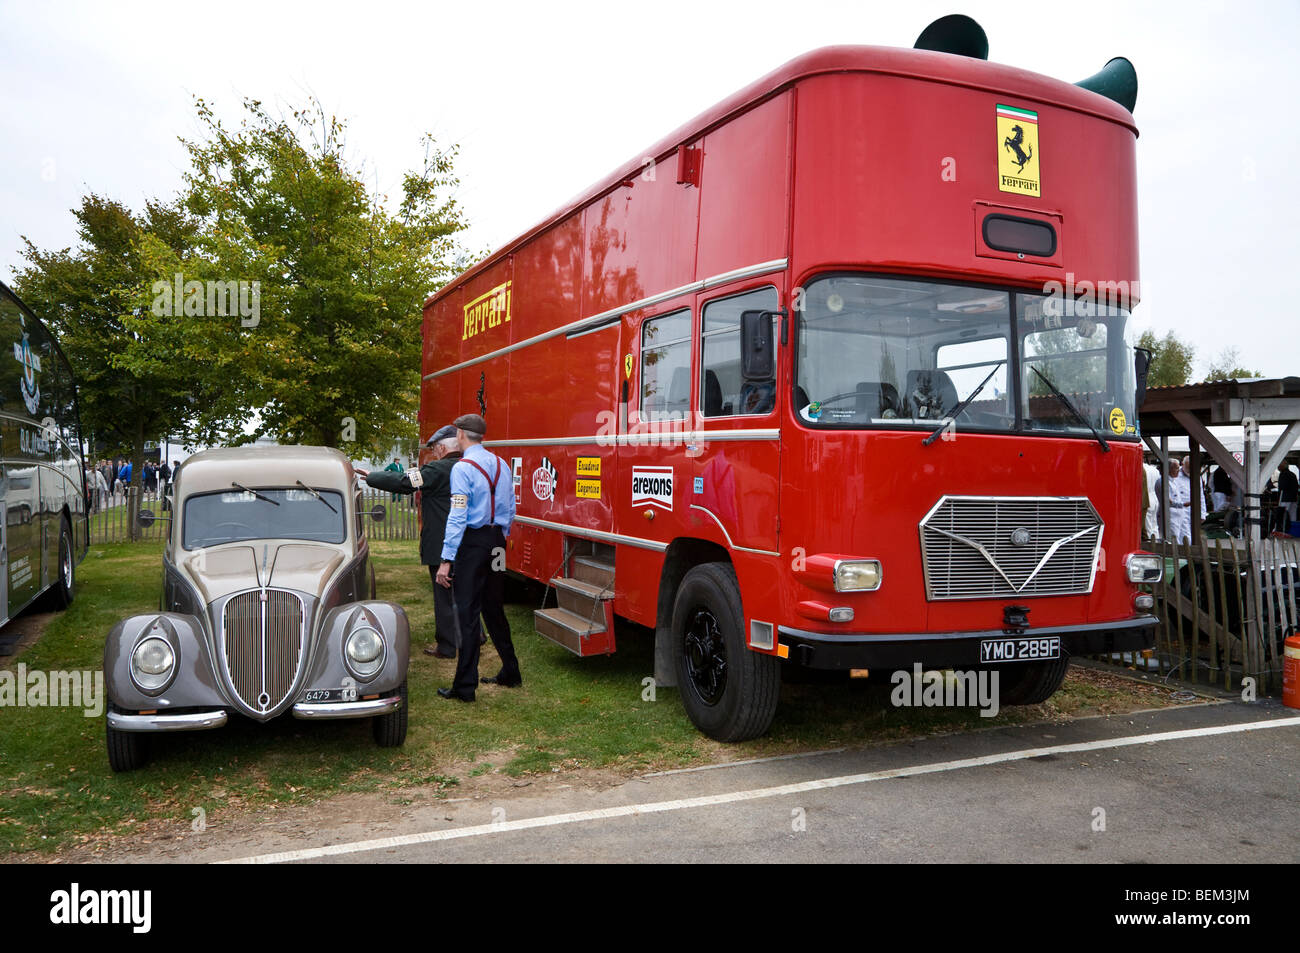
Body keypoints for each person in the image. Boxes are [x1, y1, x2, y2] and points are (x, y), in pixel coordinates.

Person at [356, 425, 477, 660]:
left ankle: (447, 645)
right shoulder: (469, 468)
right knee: (466, 591)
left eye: (434, 449)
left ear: (442, 447)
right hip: (468, 539)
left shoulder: (438, 469)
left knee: (443, 594)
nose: (434, 453)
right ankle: (476, 635)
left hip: (443, 541)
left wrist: (371, 477)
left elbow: (404, 481)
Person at [434, 413, 522, 701]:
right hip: (497, 542)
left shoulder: (463, 468)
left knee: (468, 613)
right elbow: (510, 507)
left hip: (473, 544)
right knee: (494, 608)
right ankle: (511, 671)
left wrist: (446, 559)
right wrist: (501, 535)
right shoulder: (501, 464)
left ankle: (465, 687)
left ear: (460, 434)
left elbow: (458, 516)